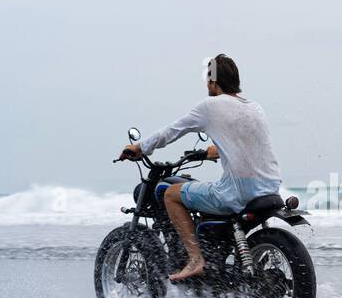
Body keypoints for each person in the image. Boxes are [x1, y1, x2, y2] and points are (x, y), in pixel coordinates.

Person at [118, 54, 282, 282]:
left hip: (237, 192)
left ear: (213, 81)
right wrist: (210, 151)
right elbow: (244, 142)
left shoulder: (211, 106)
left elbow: (171, 131)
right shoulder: (254, 107)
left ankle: (196, 259)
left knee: (171, 194)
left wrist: (140, 148)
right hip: (269, 186)